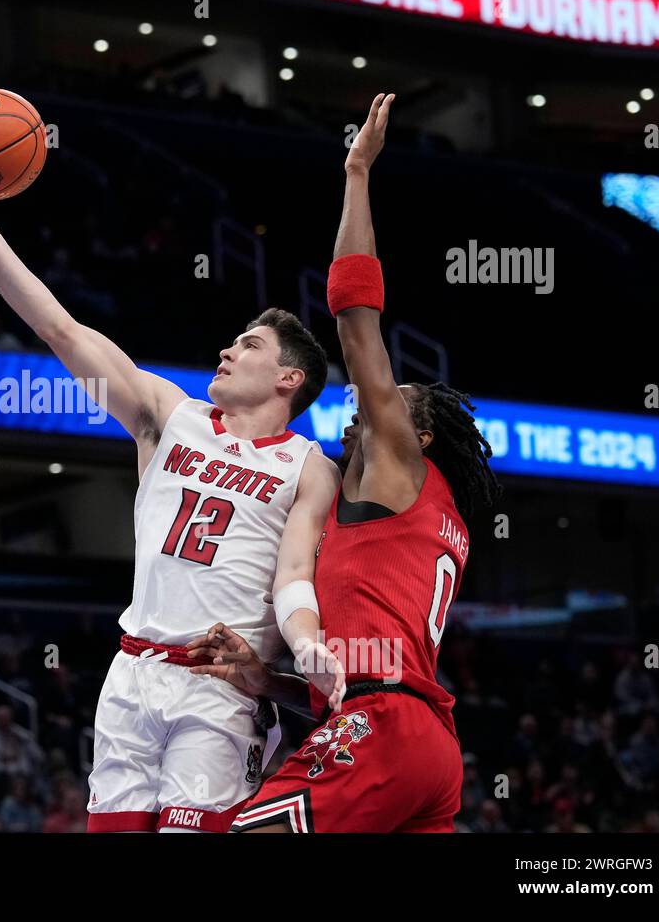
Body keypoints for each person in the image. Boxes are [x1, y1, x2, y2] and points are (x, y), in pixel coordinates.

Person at [0, 135, 335, 833]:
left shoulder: (308, 464)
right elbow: (58, 327)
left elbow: (294, 574)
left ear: (288, 379)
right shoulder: (166, 414)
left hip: (221, 685)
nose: (226, 350)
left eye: (249, 346)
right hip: (132, 674)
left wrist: (305, 648)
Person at [193, 94, 502, 833]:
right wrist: (266, 679)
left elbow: (355, 314)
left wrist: (357, 173)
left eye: (393, 400)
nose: (372, 401)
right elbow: (353, 671)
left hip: (388, 730)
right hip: (423, 744)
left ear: (418, 435)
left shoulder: (399, 466)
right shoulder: (413, 517)